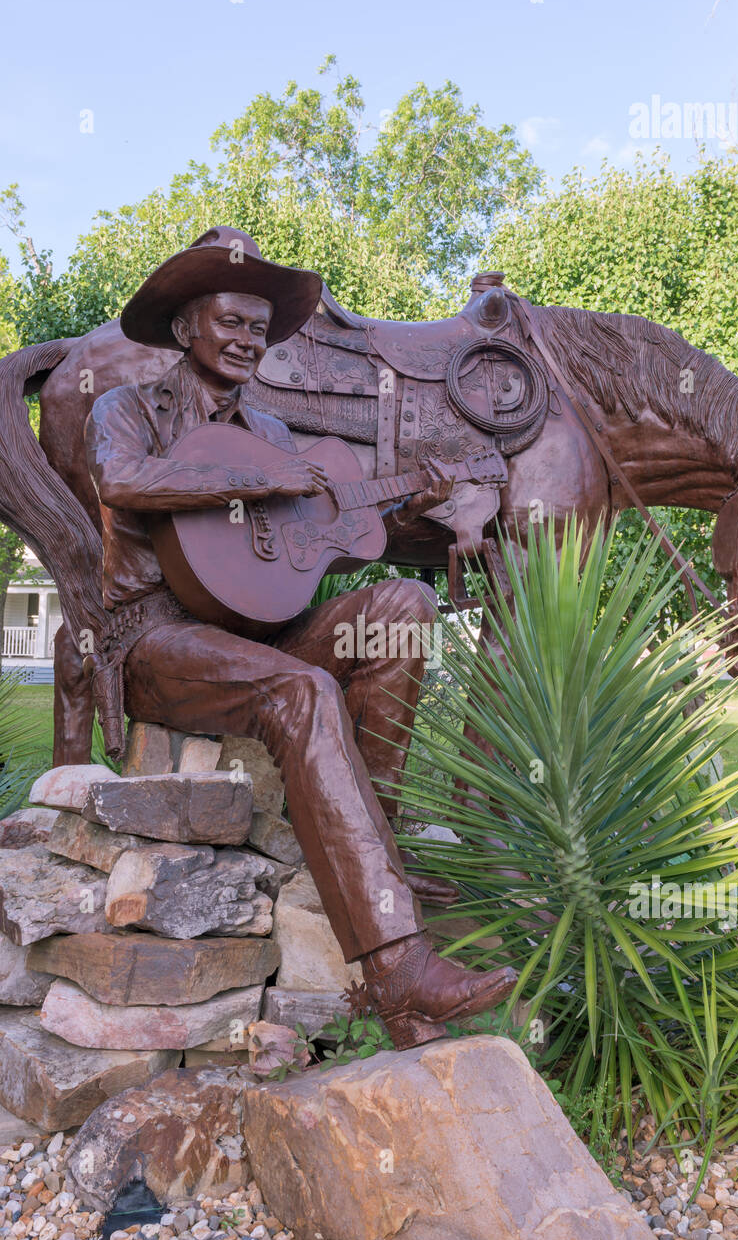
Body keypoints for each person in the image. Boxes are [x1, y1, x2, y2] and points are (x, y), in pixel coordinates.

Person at [84, 227, 515, 1049]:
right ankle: (398, 972)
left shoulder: (276, 433)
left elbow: (312, 536)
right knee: (302, 688)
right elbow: (124, 481)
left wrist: (402, 504)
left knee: (401, 607)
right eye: (230, 323)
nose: (248, 340)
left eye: (258, 328)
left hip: (265, 633)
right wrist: (263, 476)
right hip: (159, 640)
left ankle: (372, 854)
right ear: (184, 330)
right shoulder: (128, 409)